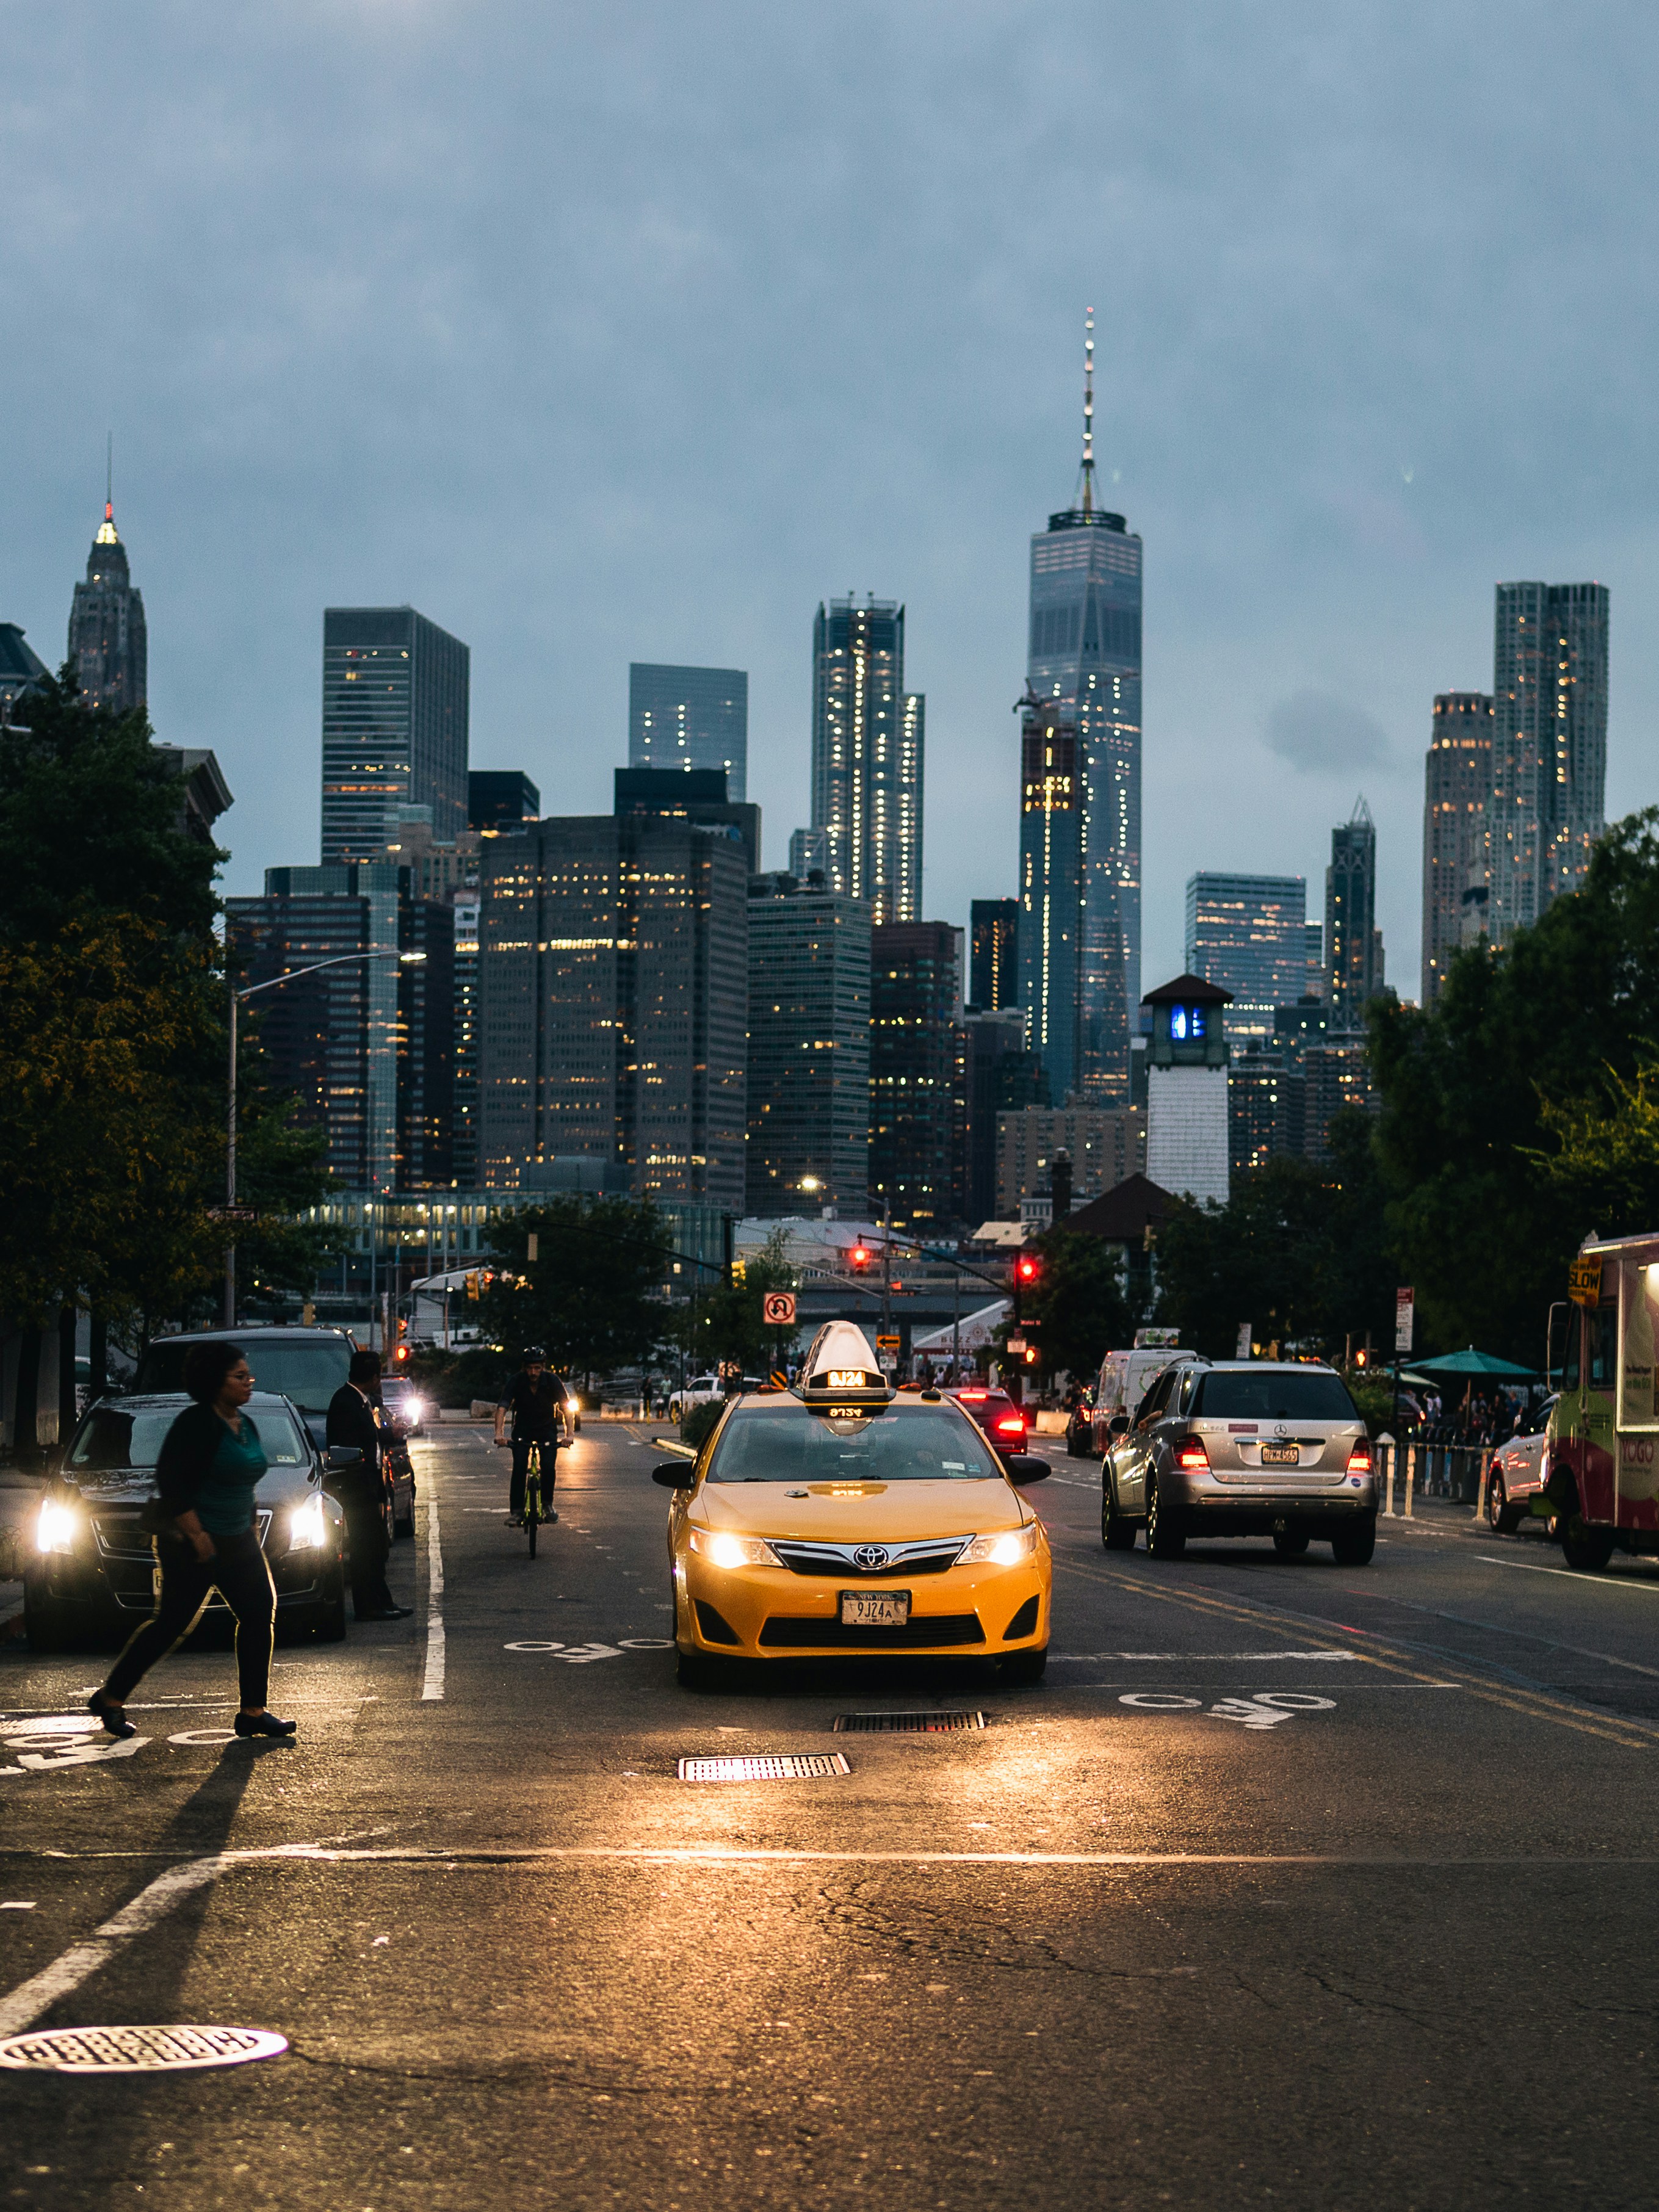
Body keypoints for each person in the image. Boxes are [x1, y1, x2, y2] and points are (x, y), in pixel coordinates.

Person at [89, 1342, 295, 1742]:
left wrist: (249, 1530)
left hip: (239, 1539)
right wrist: (199, 1536)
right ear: (216, 1383)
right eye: (240, 1377)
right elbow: (173, 1485)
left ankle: (254, 1712)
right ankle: (111, 1697)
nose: (248, 1382)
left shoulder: (244, 1423)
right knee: (173, 1624)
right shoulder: (196, 1424)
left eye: (247, 1375)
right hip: (194, 1543)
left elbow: (246, 1480)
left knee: (258, 1615)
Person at [327, 1350, 411, 1621]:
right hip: (356, 1489)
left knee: (375, 1548)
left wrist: (390, 1434)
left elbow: (368, 1437)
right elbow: (347, 1447)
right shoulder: (346, 1402)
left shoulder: (360, 1401)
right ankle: (370, 1606)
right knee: (366, 1550)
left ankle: (382, 1601)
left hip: (368, 1487)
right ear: (375, 1378)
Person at [495, 1346, 563, 1525]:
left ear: (543, 1367)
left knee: (548, 1466)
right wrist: (499, 1434)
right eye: (530, 1368)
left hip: (547, 1429)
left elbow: (566, 1408)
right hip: (523, 1430)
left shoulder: (552, 1381)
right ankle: (517, 1512)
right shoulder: (516, 1381)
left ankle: (548, 1505)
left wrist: (569, 1435)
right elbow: (503, 1407)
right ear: (524, 1368)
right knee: (519, 1467)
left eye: (537, 1368)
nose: (533, 1372)